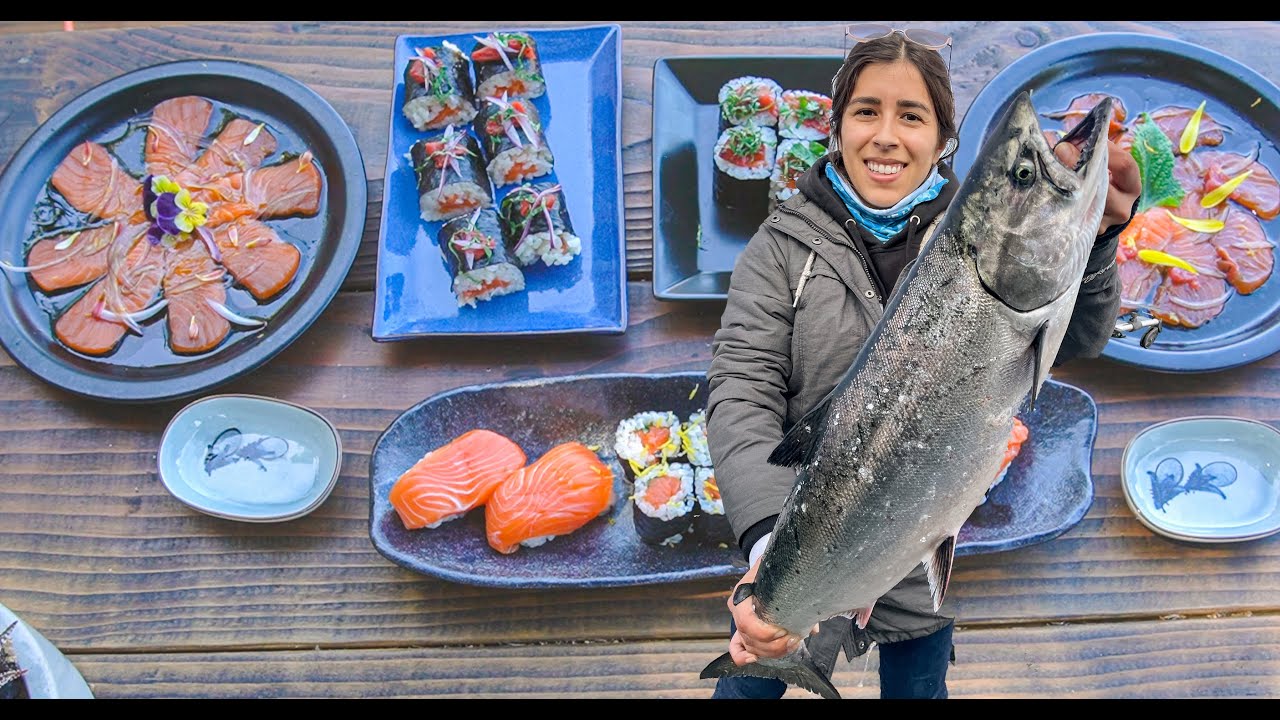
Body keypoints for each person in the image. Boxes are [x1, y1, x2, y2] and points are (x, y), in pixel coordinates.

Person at [704, 27, 1142, 699]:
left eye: (911, 116)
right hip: (804, 539)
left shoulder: (977, 226)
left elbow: (1078, 338)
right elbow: (741, 388)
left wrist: (1100, 237)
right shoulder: (780, 248)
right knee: (749, 683)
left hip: (925, 550)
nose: (886, 134)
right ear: (836, 127)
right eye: (866, 111)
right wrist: (768, 542)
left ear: (943, 140)